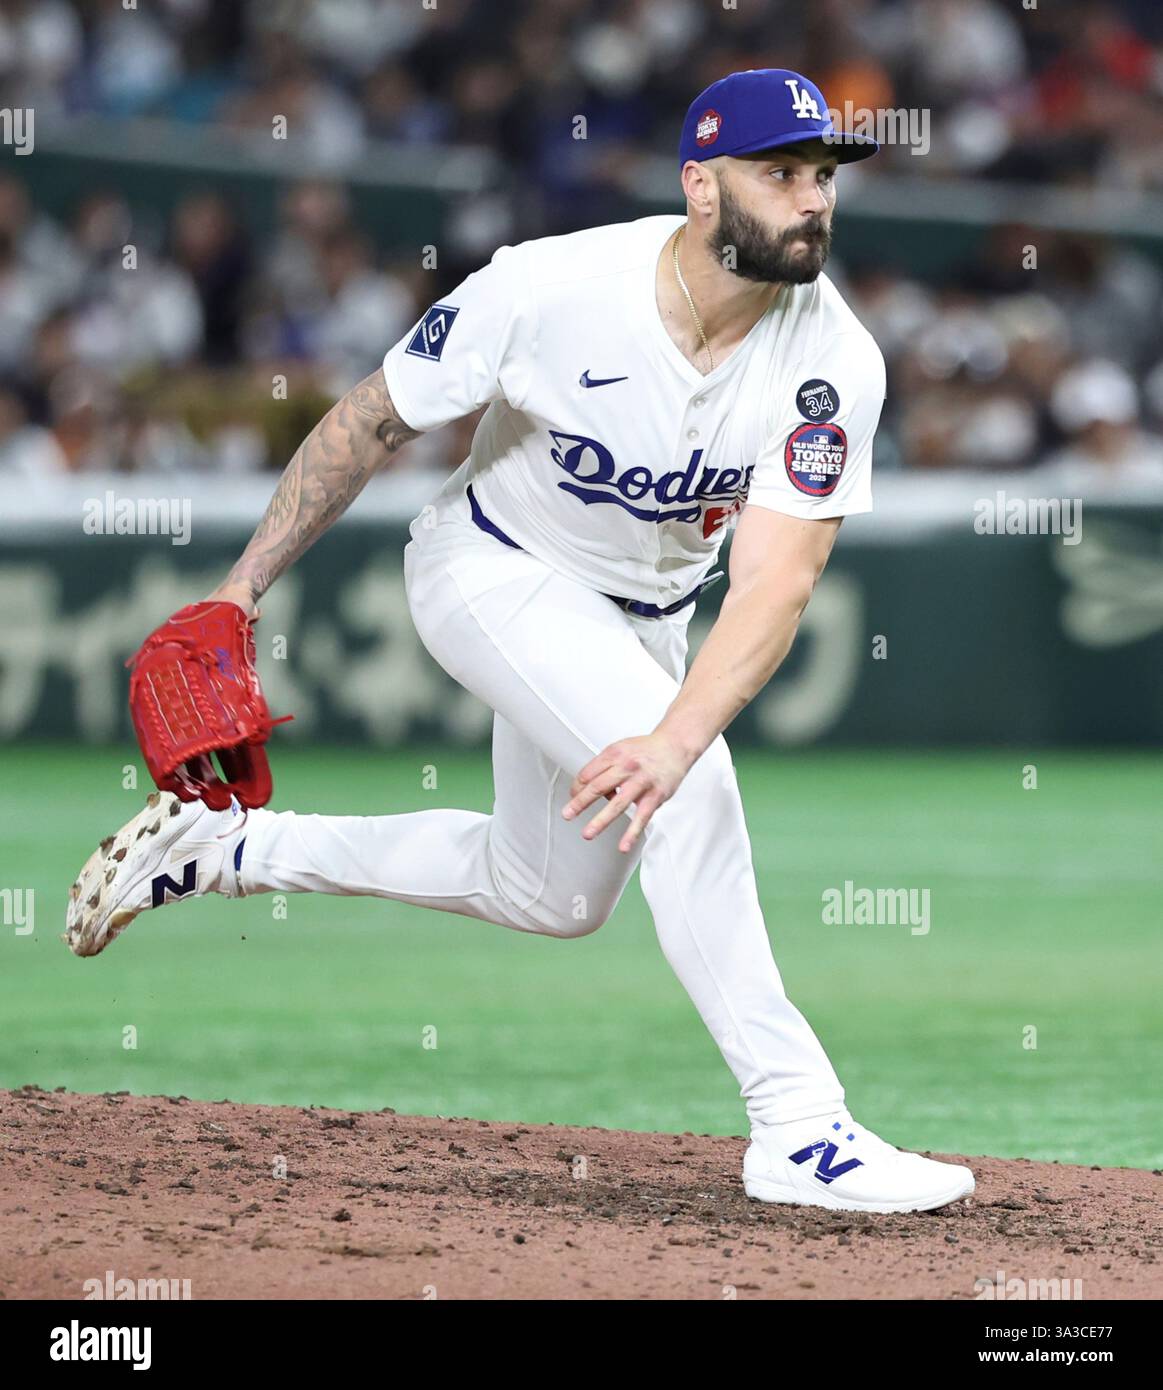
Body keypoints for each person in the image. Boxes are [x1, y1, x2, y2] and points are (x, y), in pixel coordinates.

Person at [65, 70, 974, 1214]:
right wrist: (241, 590)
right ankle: (797, 1127)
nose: (811, 201)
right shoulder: (551, 288)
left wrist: (671, 730)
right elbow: (370, 419)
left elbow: (776, 583)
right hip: (490, 568)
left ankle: (221, 849)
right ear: (701, 186)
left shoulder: (832, 359)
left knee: (547, 891)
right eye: (779, 172)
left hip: (646, 617)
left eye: (823, 175)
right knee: (687, 791)